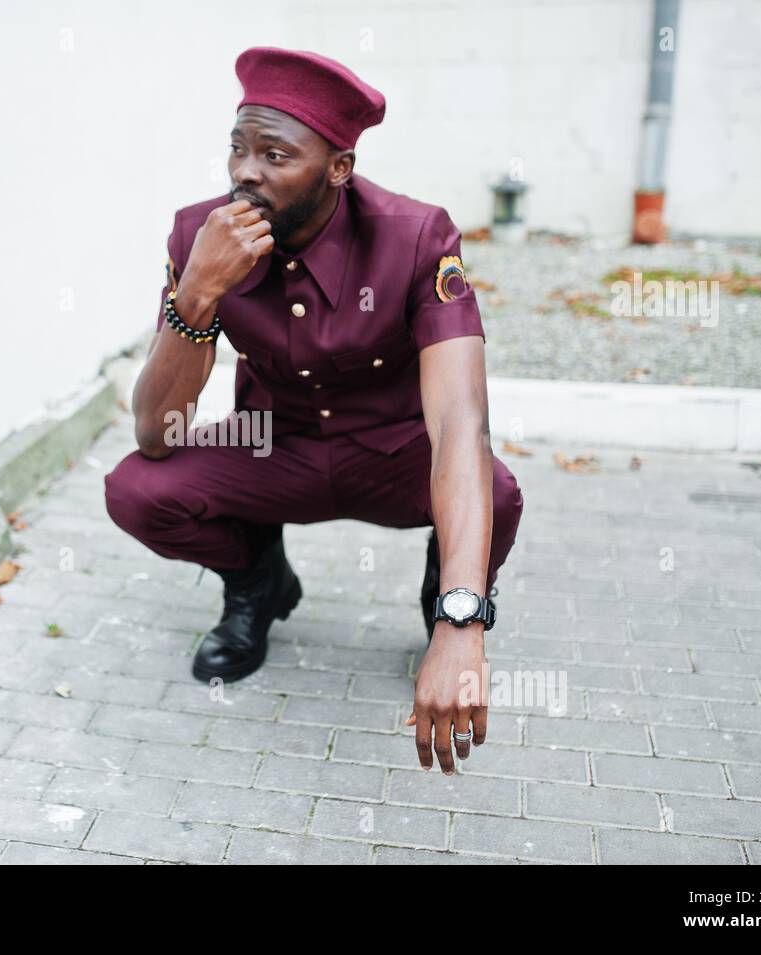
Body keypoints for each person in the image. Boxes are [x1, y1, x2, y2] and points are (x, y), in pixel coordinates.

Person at [104, 47, 524, 774]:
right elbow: (156, 432)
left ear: (338, 169)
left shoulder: (417, 237)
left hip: (395, 457)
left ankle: (439, 600)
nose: (244, 171)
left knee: (498, 492)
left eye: (274, 154)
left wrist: (463, 620)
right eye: (238, 147)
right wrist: (196, 297)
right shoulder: (197, 236)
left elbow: (460, 422)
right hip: (275, 450)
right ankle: (258, 582)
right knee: (136, 488)